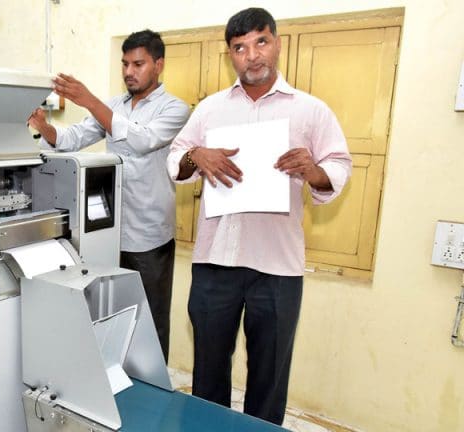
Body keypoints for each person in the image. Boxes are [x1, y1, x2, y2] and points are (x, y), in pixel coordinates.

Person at [166, 8, 352, 425]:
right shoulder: (211, 110)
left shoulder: (310, 111)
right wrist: (196, 155)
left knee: (269, 374)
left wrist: (314, 170)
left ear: (277, 42)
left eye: (261, 42)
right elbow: (174, 159)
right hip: (215, 263)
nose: (252, 55)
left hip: (277, 266)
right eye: (240, 48)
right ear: (230, 54)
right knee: (208, 368)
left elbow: (339, 166)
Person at [28, 29, 190, 362]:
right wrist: (44, 127)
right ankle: (116, 377)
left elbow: (142, 140)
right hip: (107, 231)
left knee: (152, 319)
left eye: (138, 64)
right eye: (125, 64)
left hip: (149, 236)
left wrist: (88, 99)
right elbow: (73, 138)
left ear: (158, 65)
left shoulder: (174, 109)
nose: (129, 71)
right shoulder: (114, 106)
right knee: (111, 312)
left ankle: (154, 389)